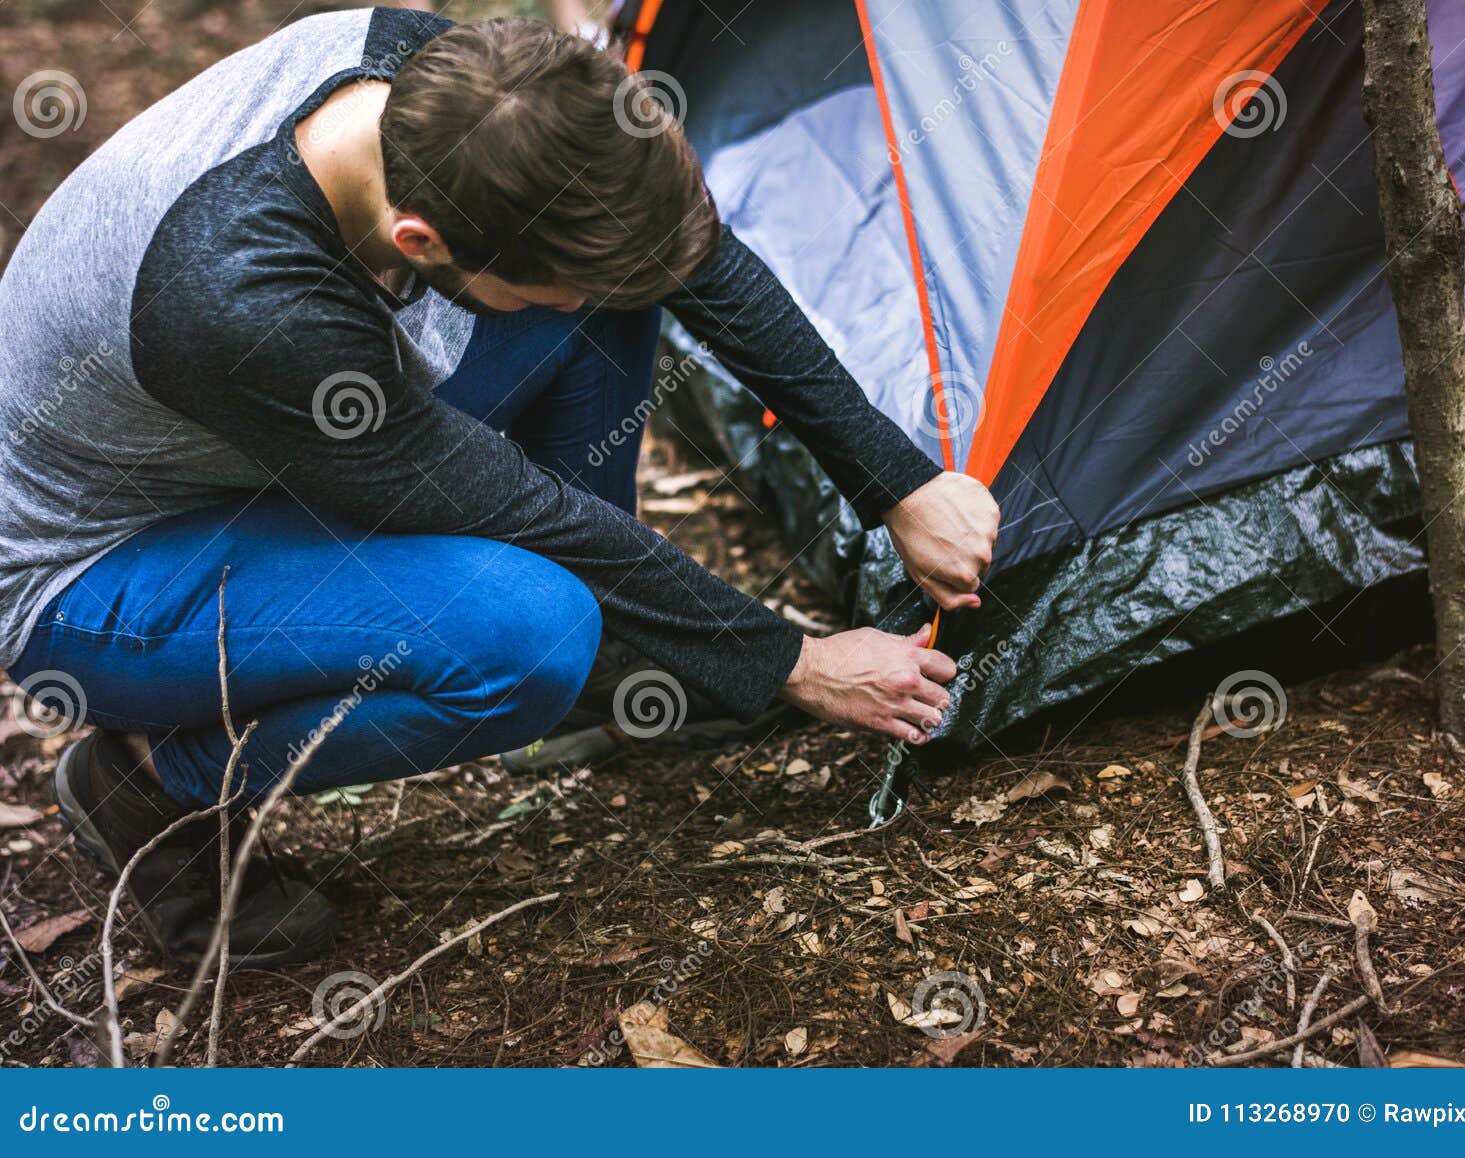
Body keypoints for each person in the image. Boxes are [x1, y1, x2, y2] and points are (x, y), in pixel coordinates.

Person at [0, 10, 998, 965]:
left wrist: (898, 483)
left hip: (274, 444)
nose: (578, 302)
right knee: (530, 631)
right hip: (99, 572)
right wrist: (792, 662)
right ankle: (148, 780)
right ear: (419, 243)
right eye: (542, 285)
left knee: (608, 282)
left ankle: (617, 656)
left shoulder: (464, 93)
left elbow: (684, 255)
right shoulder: (242, 297)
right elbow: (513, 509)